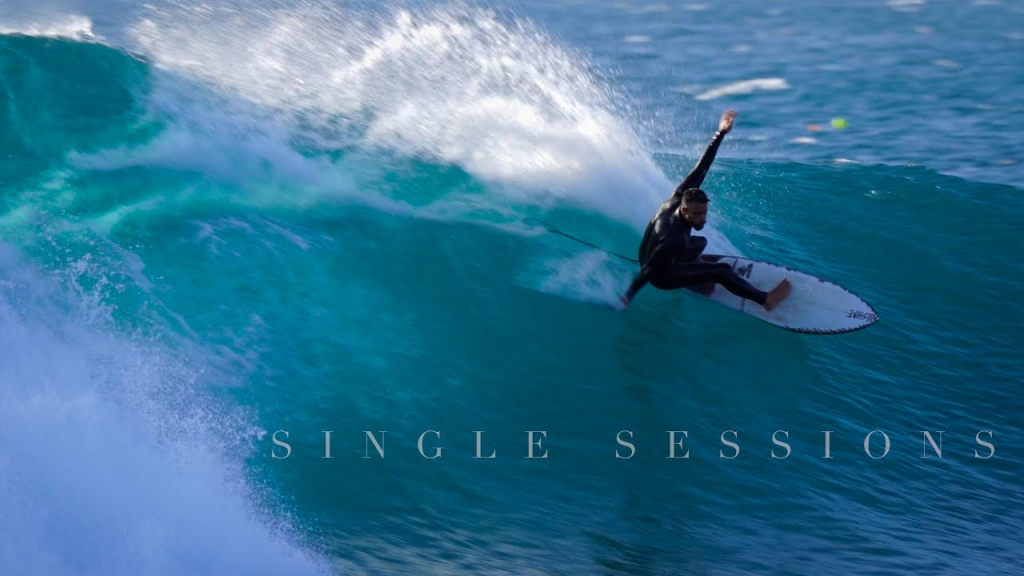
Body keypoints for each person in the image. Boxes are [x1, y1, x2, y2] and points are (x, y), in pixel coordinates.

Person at [619, 109, 791, 311]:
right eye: (697, 215)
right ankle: (766, 300)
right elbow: (649, 270)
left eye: (704, 213)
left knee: (700, 242)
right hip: (662, 277)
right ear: (684, 211)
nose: (702, 219)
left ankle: (696, 276)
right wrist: (628, 296)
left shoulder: (678, 197)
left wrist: (721, 133)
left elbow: (702, 166)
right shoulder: (674, 239)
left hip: (651, 256)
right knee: (722, 271)